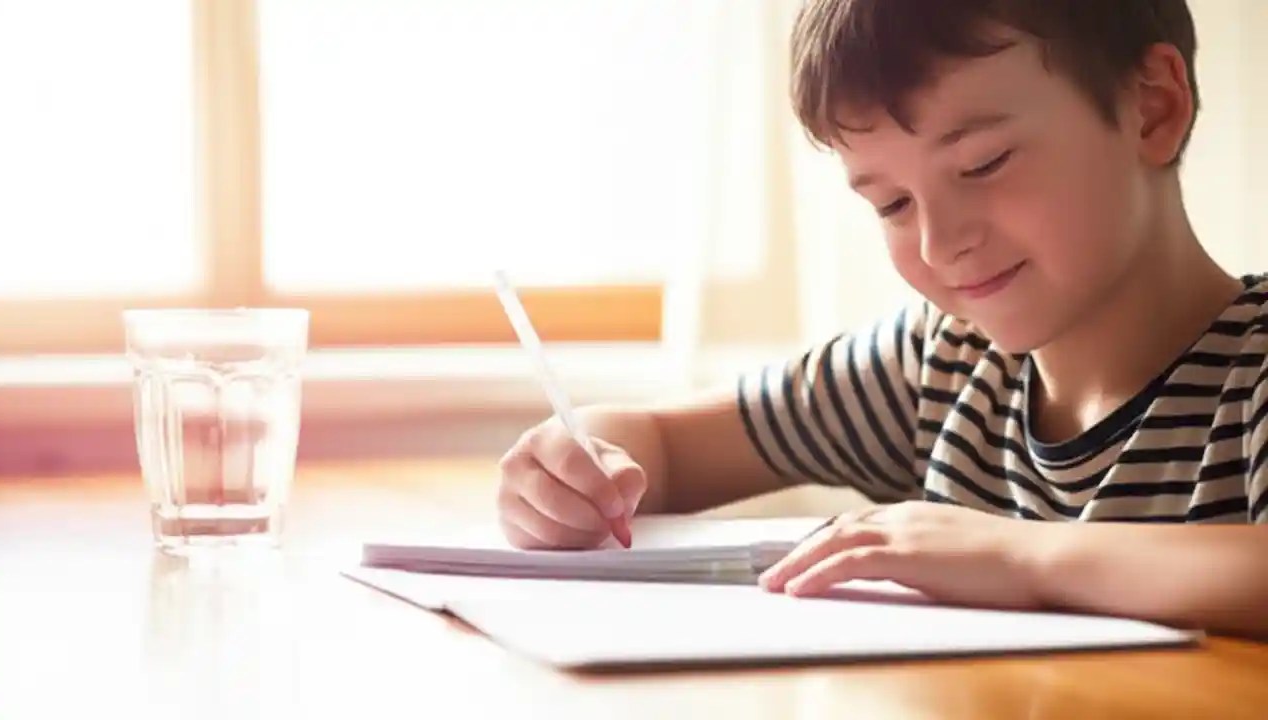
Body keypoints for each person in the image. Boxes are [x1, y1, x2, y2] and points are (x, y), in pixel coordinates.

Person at [496, 0, 1268, 638]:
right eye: (892, 204)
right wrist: (577, 464)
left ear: (1152, 109)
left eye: (984, 164)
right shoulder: (938, 366)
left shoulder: (1253, 372)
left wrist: (1022, 557)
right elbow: (662, 442)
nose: (940, 242)